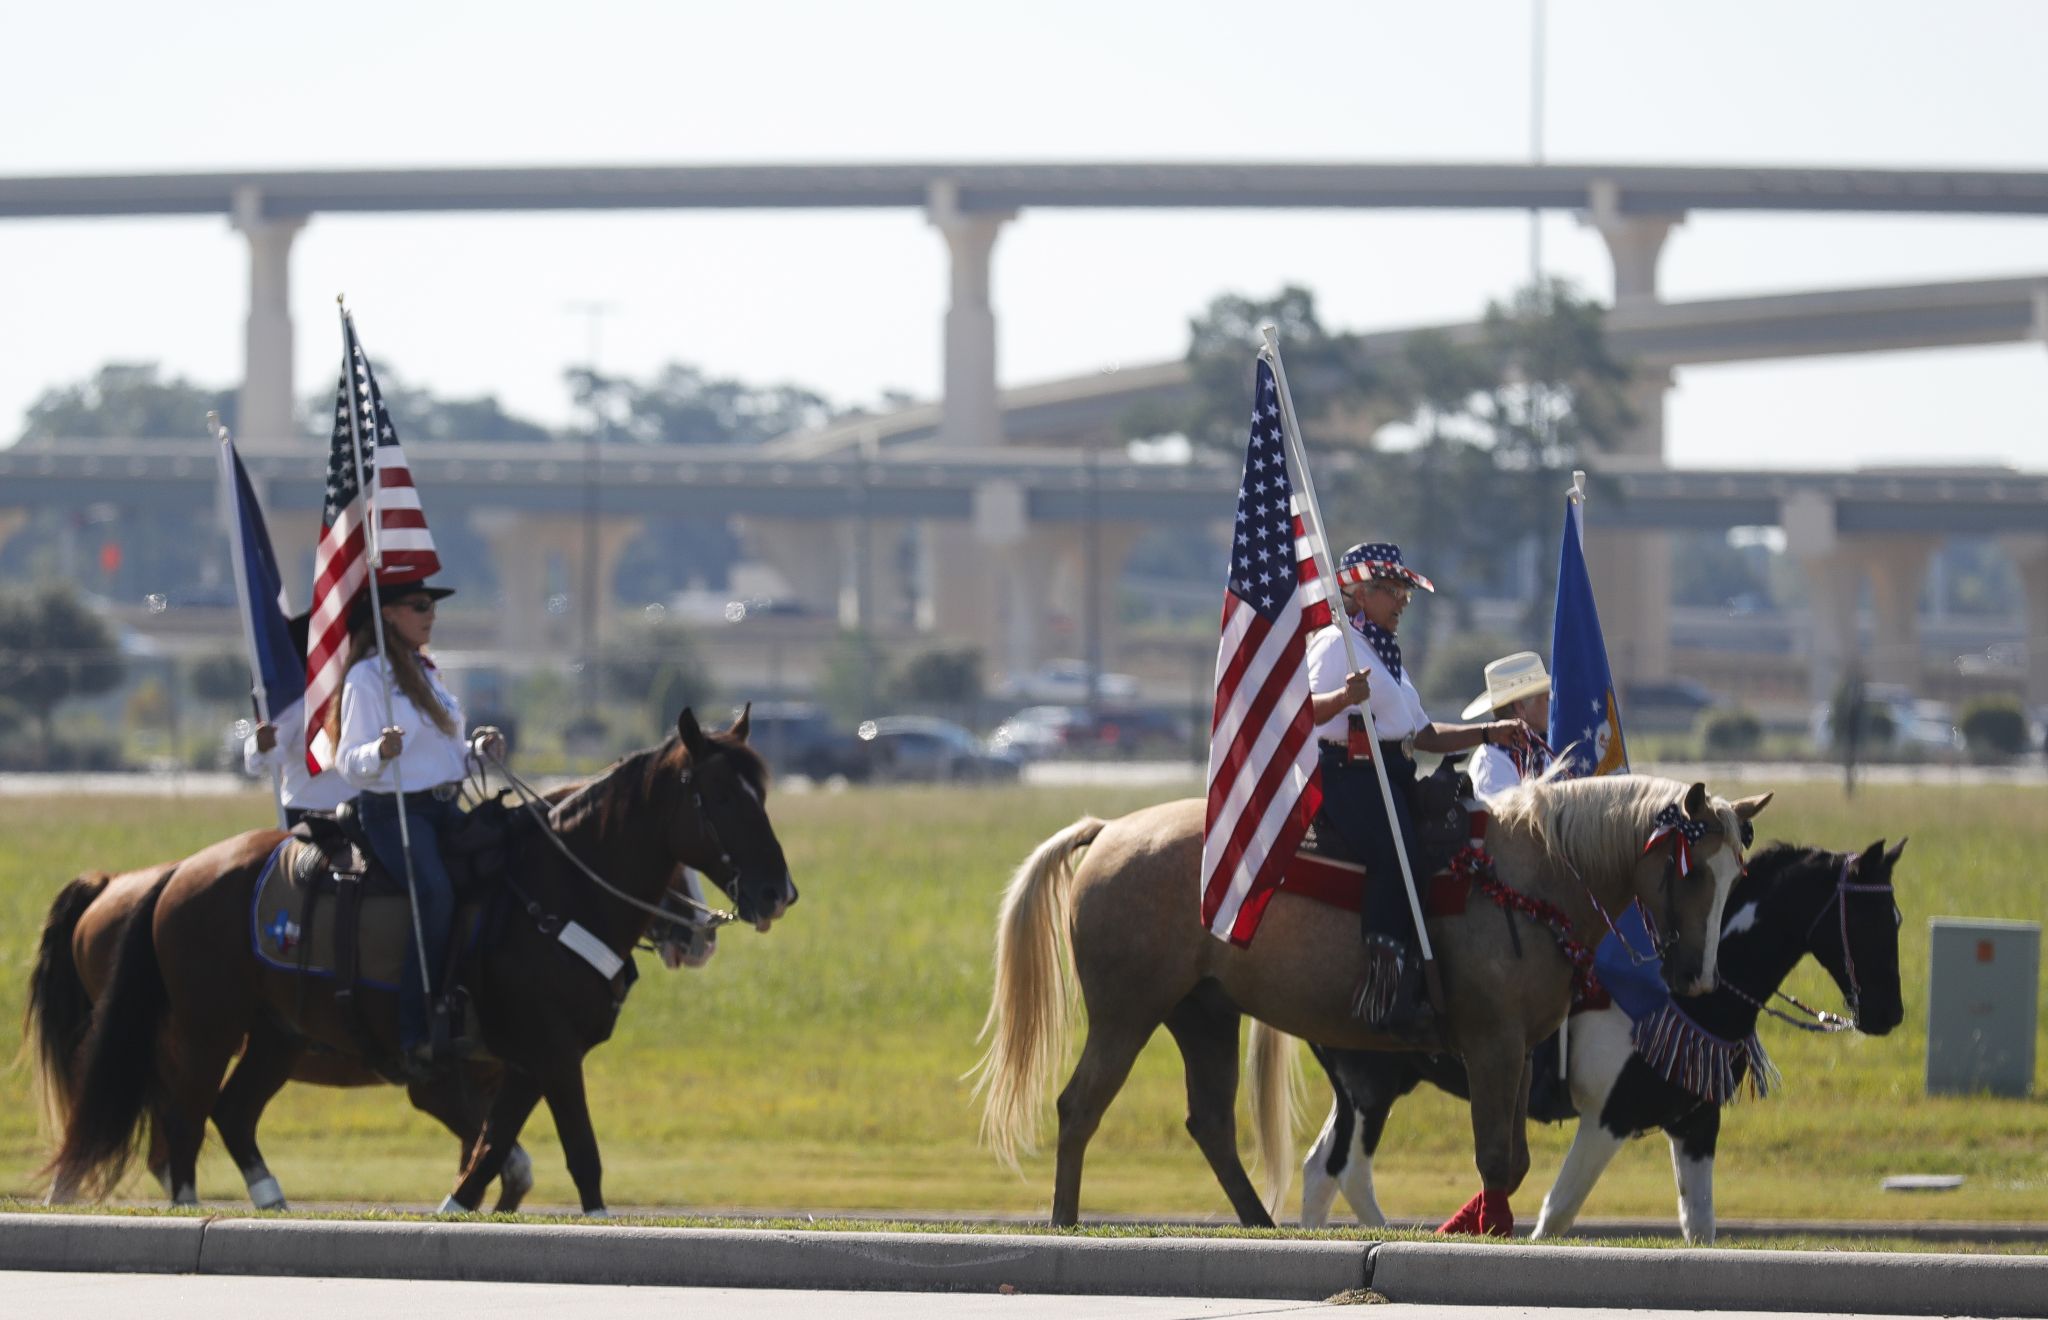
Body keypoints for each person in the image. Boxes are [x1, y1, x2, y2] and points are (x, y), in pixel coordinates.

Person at [1304, 542, 1535, 1040]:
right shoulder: (1335, 643)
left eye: (1405, 590)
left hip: (1394, 771)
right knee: (1397, 857)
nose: (1403, 600)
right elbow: (1302, 711)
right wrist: (1344, 697)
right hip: (1349, 775)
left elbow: (1425, 736)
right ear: (1359, 594)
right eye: (1392, 590)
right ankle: (1386, 987)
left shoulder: (1390, 659)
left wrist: (1487, 734)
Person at [331, 576, 503, 1064]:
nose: (431, 615)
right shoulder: (367, 678)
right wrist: (379, 752)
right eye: (420, 605)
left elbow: (444, 758)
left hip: (444, 805)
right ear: (388, 615)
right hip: (395, 811)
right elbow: (349, 761)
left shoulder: (428, 671)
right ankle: (414, 1030)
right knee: (436, 894)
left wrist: (478, 753)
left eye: (432, 607)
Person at [244, 612, 352, 827]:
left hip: (356, 813)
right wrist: (261, 745)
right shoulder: (297, 707)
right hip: (305, 815)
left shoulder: (358, 696)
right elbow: (260, 760)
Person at [1459, 650, 1558, 802]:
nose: (1553, 706)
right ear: (1520, 707)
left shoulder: (1542, 748)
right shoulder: (1492, 760)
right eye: (1547, 699)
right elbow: (1508, 821)